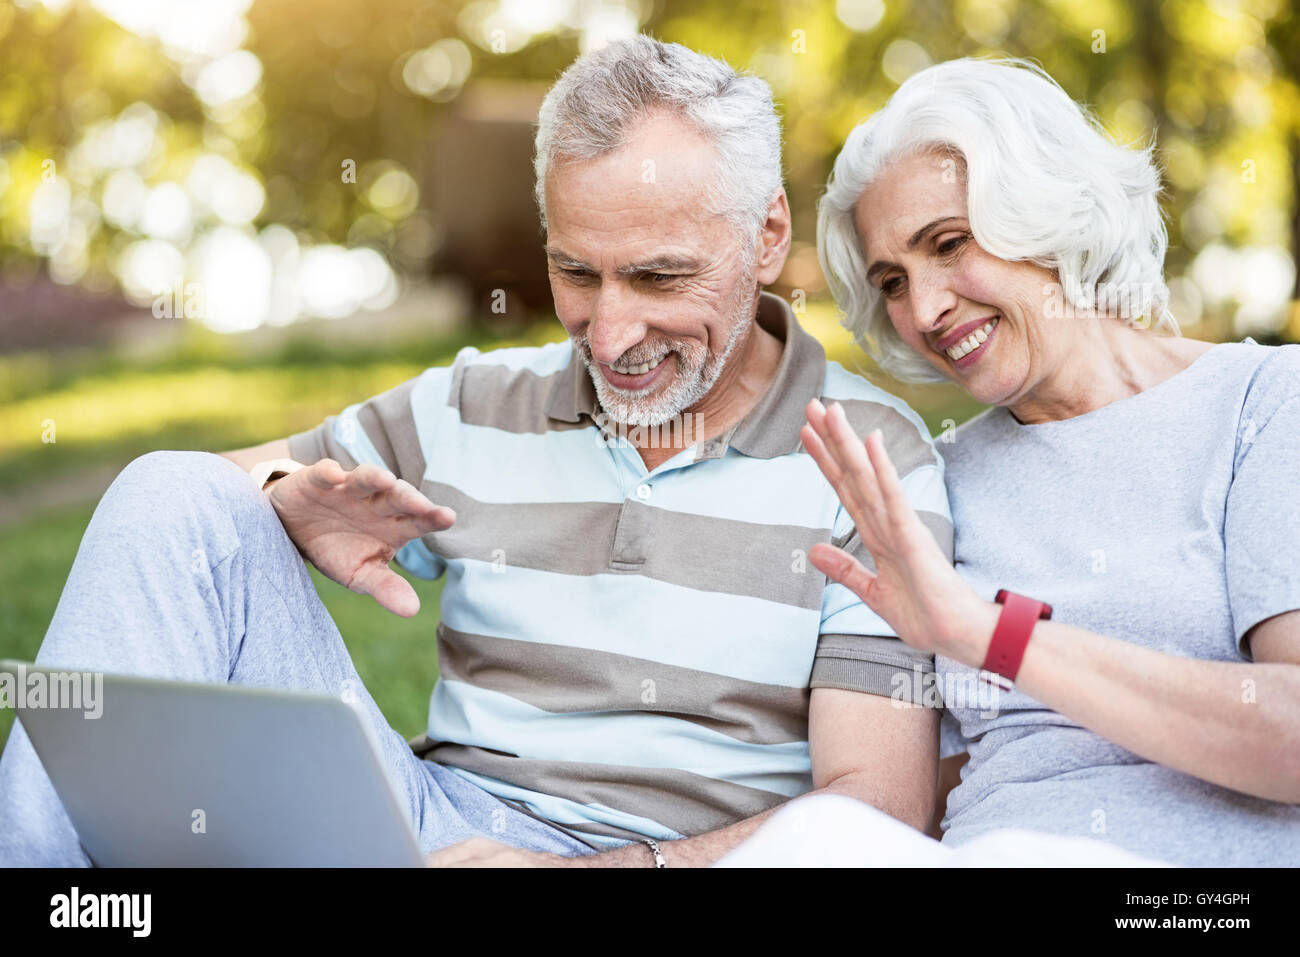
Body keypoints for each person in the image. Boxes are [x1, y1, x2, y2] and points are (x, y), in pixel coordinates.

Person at [0, 37, 954, 868]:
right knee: (170, 486)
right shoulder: (476, 401)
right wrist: (288, 492)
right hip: (434, 827)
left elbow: (879, 808)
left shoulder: (871, 460)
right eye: (575, 272)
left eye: (659, 276)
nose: (612, 334)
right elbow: (212, 499)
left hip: (675, 862)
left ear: (766, 236)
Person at [720, 57, 1300, 867]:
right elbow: (929, 786)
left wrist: (992, 634)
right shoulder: (934, 478)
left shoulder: (1263, 404)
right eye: (893, 281)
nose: (923, 311)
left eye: (948, 243)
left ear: (1045, 207)